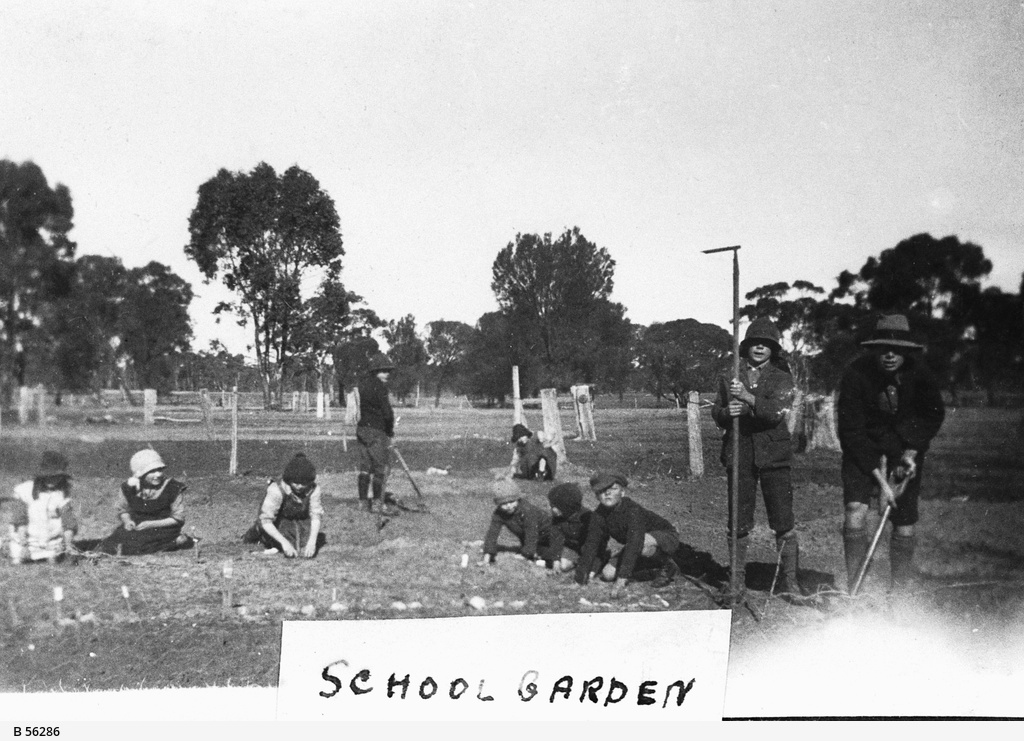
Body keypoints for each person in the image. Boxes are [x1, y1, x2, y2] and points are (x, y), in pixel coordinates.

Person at [837, 314, 945, 592]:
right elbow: (851, 430)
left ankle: (897, 594)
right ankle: (855, 591)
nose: (889, 355)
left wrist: (910, 453)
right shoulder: (855, 374)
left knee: (904, 520)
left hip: (904, 448)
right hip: (863, 446)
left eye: (897, 350)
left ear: (907, 351)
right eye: (884, 348)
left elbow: (932, 416)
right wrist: (881, 481)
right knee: (854, 510)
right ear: (874, 349)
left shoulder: (921, 375)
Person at [712, 317, 803, 600]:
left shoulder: (782, 377)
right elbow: (717, 411)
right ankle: (737, 583)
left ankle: (790, 583)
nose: (760, 348)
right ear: (747, 347)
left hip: (774, 456)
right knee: (738, 518)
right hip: (739, 453)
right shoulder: (731, 376)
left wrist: (748, 399)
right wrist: (729, 413)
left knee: (782, 519)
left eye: (766, 344)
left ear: (773, 349)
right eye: (755, 343)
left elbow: (776, 413)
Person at [575, 471, 680, 590]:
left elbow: (635, 542)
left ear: (622, 492)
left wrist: (622, 578)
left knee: (641, 543)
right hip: (636, 543)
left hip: (665, 536)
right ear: (596, 496)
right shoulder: (598, 515)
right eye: (602, 490)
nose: (607, 493)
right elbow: (592, 544)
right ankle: (653, 570)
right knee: (608, 574)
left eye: (613, 489)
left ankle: (668, 564)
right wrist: (584, 573)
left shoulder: (632, 510)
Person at [95, 449, 193, 555]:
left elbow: (178, 518)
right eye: (152, 471)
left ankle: (176, 541)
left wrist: (150, 524)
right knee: (111, 544)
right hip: (138, 527)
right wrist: (128, 521)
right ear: (140, 474)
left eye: (160, 470)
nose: (158, 474)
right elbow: (123, 510)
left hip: (163, 529)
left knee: (139, 546)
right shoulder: (128, 487)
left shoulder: (172, 488)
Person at [242, 453, 325, 558]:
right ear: (289, 480)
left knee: (301, 543)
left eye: (303, 483)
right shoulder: (276, 489)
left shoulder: (314, 489)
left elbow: (315, 516)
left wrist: (312, 543)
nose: (299, 486)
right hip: (277, 521)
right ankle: (256, 536)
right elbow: (266, 520)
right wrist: (284, 543)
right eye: (295, 482)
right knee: (279, 541)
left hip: (299, 521)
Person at [7, 451, 78, 564]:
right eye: (48, 477)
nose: (52, 480)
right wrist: (23, 543)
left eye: (56, 477)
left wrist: (68, 545)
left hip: (51, 541)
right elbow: (19, 519)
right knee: (18, 560)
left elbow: (68, 522)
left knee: (52, 561)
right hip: (25, 538)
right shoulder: (24, 491)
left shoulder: (62, 495)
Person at [356, 352, 397, 514]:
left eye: (388, 371)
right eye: (383, 371)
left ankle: (363, 503)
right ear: (375, 371)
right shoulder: (380, 387)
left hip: (362, 430)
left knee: (365, 467)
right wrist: (390, 431)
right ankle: (378, 503)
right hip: (376, 431)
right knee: (381, 468)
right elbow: (387, 413)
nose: (387, 374)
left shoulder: (363, 385)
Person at [481, 478, 552, 565]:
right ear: (498, 504)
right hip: (535, 541)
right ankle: (536, 554)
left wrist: (525, 554)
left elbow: (531, 533)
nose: (508, 506)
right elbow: (492, 534)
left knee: (550, 555)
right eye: (503, 503)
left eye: (511, 501)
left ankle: (538, 555)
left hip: (549, 536)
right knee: (539, 554)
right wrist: (486, 558)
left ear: (517, 499)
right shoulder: (498, 514)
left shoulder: (527, 510)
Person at [544, 482, 591, 573]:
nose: (551, 508)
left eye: (554, 506)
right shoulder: (557, 519)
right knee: (563, 566)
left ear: (566, 507)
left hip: (587, 549)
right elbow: (556, 539)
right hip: (571, 548)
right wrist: (556, 562)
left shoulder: (587, 518)